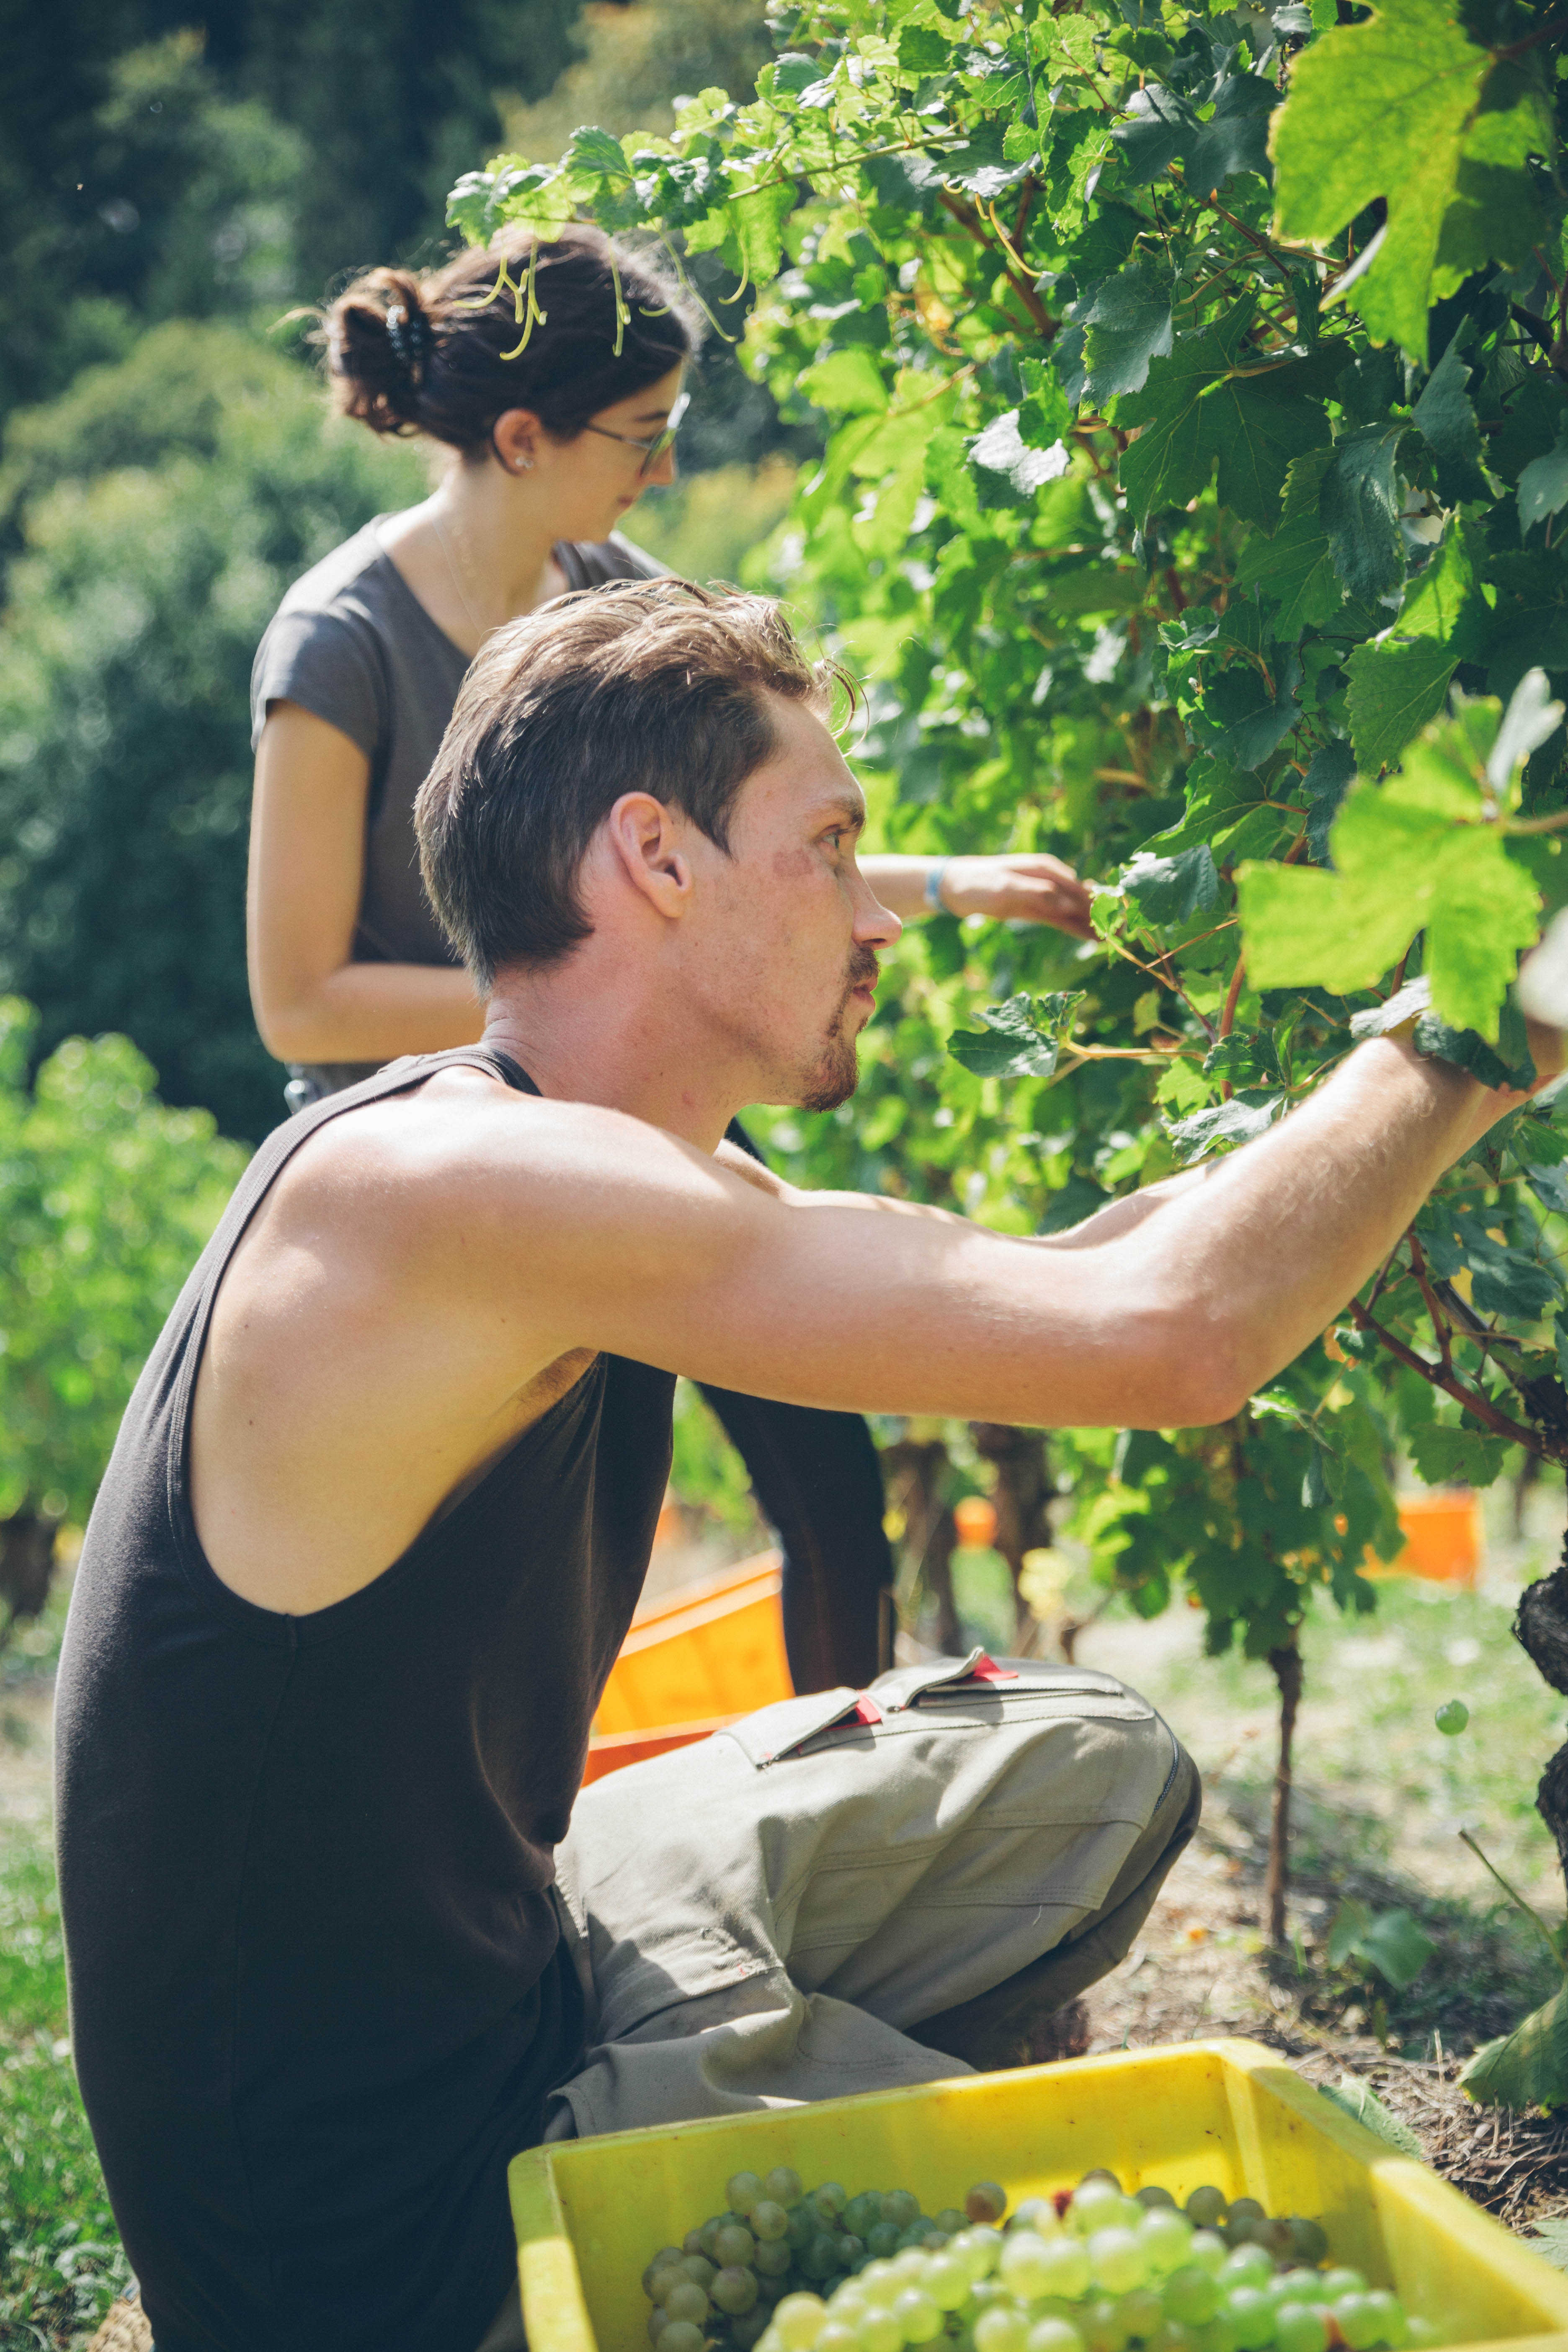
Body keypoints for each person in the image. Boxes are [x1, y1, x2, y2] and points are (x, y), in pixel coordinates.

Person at [59, 580, 1558, 2352]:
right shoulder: (459, 1198)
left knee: (1080, 1767)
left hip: (507, 1953)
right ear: (656, 857)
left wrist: (1327, 1107)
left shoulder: (564, 1156)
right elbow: (1178, 1340)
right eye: (831, 846)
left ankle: (790, 2065)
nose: (875, 916)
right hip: (383, 2231)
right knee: (1079, 2217)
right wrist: (1491, 1014)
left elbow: (1084, 1274)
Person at [246, 222, 1095, 1693]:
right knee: (516, 1556)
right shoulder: (341, 650)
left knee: (831, 1492)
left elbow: (713, 859)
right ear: (523, 437)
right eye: (642, 435)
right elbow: (299, 1000)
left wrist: (956, 885)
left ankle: (848, 1813)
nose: (665, 469)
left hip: (632, 1095)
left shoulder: (606, 589)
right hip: (434, 1175)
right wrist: (600, 980)